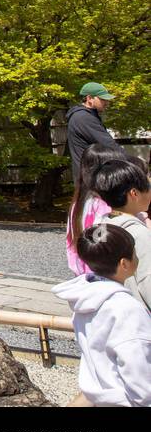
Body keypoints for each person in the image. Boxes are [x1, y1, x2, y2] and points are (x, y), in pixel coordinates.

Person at [53, 223, 151, 406]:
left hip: (100, 396)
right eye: (134, 253)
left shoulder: (85, 300)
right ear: (124, 264)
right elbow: (139, 373)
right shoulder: (126, 309)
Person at [94, 156, 151, 310]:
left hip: (112, 310)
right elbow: (148, 281)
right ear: (134, 193)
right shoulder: (138, 233)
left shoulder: (100, 227)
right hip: (139, 317)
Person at [66, 144, 127, 275]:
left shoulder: (78, 202)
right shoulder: (101, 206)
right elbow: (102, 244)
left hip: (82, 272)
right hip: (101, 275)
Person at [66, 82, 120, 183]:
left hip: (90, 176)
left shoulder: (88, 116)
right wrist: (135, 164)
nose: (107, 103)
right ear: (89, 98)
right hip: (90, 180)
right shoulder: (83, 118)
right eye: (103, 99)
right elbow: (109, 145)